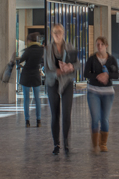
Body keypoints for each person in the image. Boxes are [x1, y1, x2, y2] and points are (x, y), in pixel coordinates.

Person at [43, 24, 78, 155]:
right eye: (55, 32)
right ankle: (56, 144)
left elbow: (78, 64)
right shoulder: (47, 48)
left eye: (60, 32)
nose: (57, 34)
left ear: (64, 33)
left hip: (67, 83)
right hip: (53, 83)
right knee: (55, 115)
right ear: (51, 34)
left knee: (66, 114)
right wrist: (57, 72)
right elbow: (46, 69)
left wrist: (70, 67)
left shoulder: (70, 47)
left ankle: (67, 144)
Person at [84, 36, 119, 152]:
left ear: (106, 46)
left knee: (104, 118)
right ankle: (95, 144)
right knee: (95, 118)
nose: (99, 47)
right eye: (97, 44)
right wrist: (98, 76)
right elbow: (86, 74)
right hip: (93, 90)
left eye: (101, 44)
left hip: (108, 92)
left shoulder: (112, 59)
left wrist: (107, 76)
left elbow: (117, 75)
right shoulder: (92, 59)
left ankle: (103, 143)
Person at [16, 33, 44, 128]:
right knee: (37, 99)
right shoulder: (41, 50)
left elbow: (20, 61)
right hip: (36, 75)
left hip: (26, 75)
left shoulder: (27, 51)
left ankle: (27, 121)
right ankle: (38, 120)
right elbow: (44, 61)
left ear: (29, 41)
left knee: (26, 99)